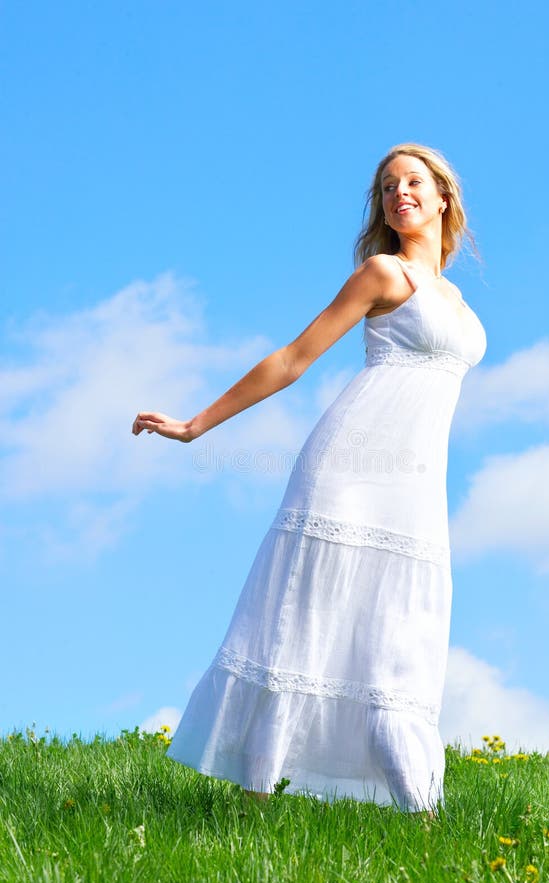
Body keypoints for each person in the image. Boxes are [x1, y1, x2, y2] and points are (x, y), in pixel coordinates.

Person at [132, 142, 487, 815]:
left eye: (413, 182)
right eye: (386, 186)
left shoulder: (457, 301)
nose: (399, 194)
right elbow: (294, 358)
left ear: (443, 198)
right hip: (348, 469)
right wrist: (194, 426)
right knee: (303, 625)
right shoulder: (382, 274)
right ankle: (253, 807)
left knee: (397, 635)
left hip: (412, 480)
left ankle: (419, 809)